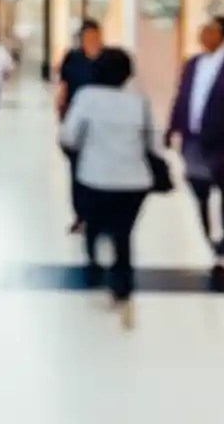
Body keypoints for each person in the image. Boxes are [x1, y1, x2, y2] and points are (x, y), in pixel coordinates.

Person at [58, 48, 160, 330]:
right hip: (133, 181)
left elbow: (68, 135)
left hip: (96, 177)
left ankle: (94, 264)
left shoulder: (87, 97)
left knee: (95, 223)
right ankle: (122, 286)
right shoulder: (138, 101)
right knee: (123, 233)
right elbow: (153, 142)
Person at [165, 15, 224, 286]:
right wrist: (172, 128)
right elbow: (182, 97)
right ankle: (211, 237)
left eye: (210, 31)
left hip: (223, 144)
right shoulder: (193, 65)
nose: (203, 36)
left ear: (223, 35)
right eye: (202, 31)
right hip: (193, 141)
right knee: (198, 189)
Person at [56, 19, 104, 234]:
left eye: (96, 36)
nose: (93, 41)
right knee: (77, 170)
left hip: (103, 124)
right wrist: (61, 116)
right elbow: (63, 88)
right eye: (88, 37)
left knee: (101, 171)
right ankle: (81, 215)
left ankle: (100, 216)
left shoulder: (107, 59)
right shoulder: (73, 58)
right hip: (77, 122)